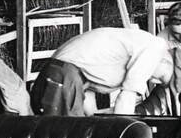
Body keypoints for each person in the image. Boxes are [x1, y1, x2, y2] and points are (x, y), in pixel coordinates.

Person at [31, 26, 173, 116]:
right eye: (161, 78)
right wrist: (122, 137)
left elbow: (87, 86)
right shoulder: (155, 48)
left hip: (61, 74)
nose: (154, 81)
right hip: (65, 76)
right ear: (166, 60)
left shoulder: (138, 45)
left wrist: (93, 121)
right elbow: (126, 100)